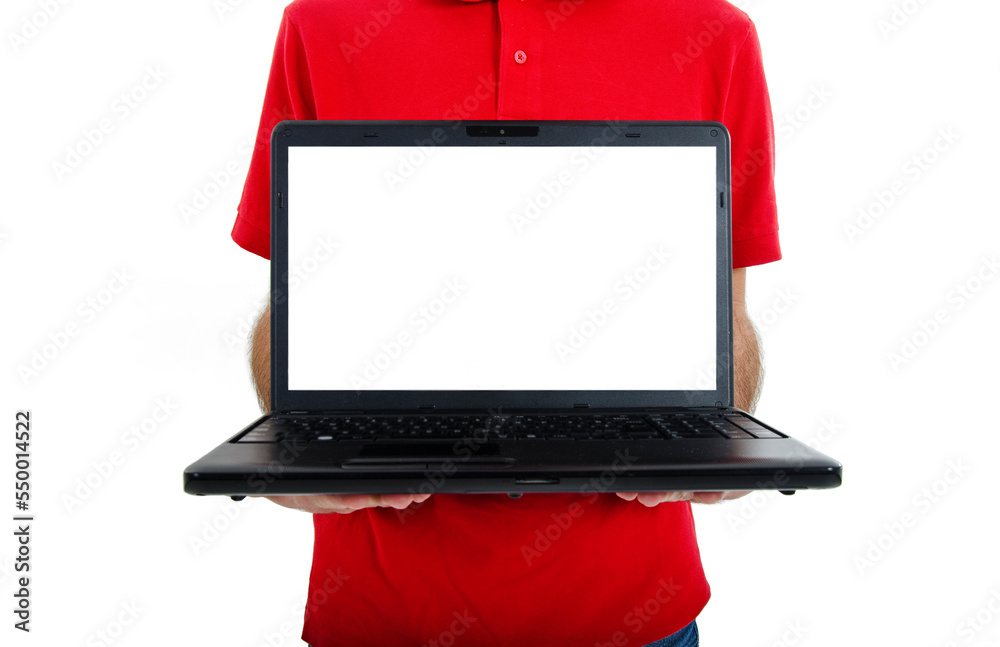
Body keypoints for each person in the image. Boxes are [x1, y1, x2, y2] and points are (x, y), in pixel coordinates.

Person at [232, 1, 780, 645]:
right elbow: (293, 307)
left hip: (635, 615)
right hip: (380, 616)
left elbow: (726, 317)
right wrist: (290, 455)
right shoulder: (323, 26)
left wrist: (724, 446)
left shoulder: (712, 35)